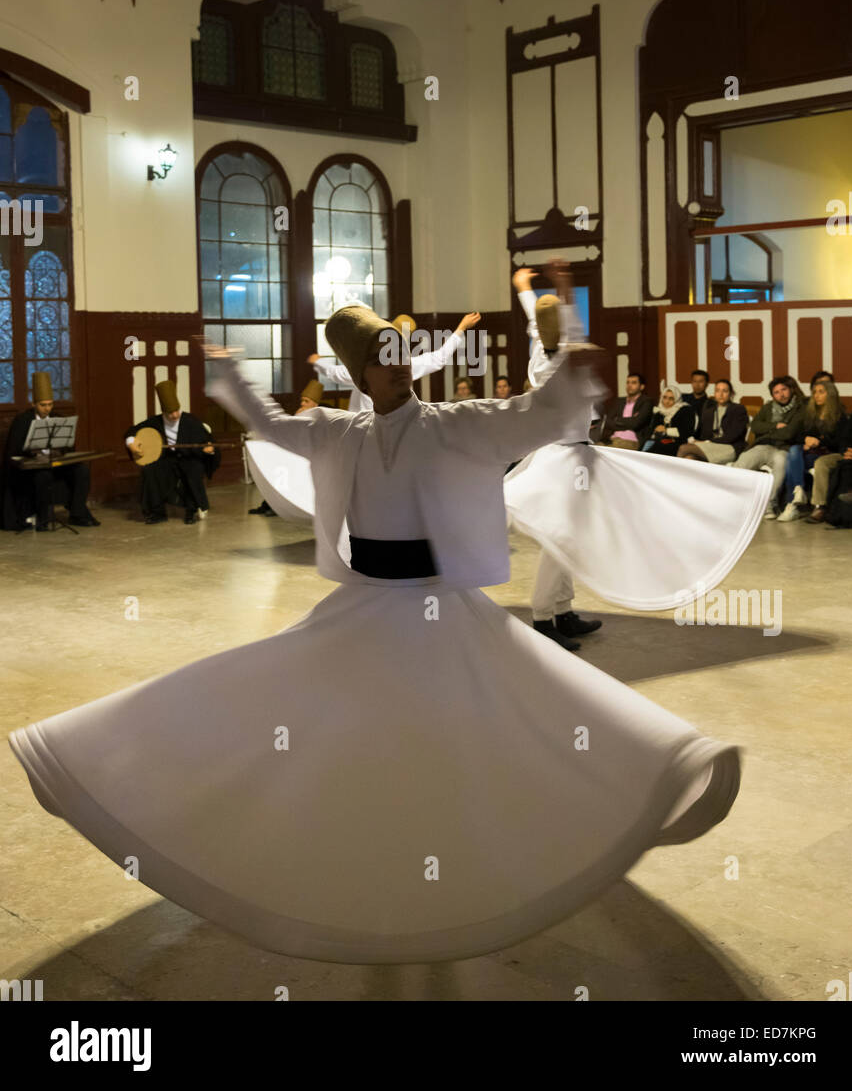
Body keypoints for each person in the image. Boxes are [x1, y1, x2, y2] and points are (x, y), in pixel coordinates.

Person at [9, 311, 745, 966]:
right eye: (384, 359)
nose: (398, 366)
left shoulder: (460, 421)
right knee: (287, 707)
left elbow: (540, 414)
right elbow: (268, 425)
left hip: (442, 604)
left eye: (403, 355)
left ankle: (586, 802)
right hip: (364, 603)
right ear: (361, 373)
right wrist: (226, 373)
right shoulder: (338, 430)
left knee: (526, 708)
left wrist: (562, 345)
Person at [511, 264, 602, 651]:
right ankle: (543, 615)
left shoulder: (541, 349)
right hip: (564, 459)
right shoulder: (565, 359)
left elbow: (541, 317)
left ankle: (563, 609)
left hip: (566, 455)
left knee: (566, 537)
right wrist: (561, 283)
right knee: (558, 538)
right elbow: (563, 320)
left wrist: (524, 286)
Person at [310, 311, 481, 413]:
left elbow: (336, 373)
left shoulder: (368, 366)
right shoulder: (406, 364)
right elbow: (439, 358)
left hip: (372, 425)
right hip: (377, 425)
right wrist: (460, 328)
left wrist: (318, 362)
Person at [0, 371, 99, 530]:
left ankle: (77, 513)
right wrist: (32, 452)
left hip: (55, 463)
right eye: (43, 405)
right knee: (43, 477)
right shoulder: (23, 421)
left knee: (82, 471)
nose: (47, 409)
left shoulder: (58, 417)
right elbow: (14, 450)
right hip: (33, 469)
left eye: (50, 404)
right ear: (34, 404)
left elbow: (69, 446)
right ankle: (42, 518)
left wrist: (60, 449)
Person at [125, 379, 219, 524]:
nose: (174, 415)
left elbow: (207, 441)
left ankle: (191, 510)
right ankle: (157, 512)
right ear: (163, 412)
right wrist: (131, 442)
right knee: (150, 470)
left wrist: (209, 450)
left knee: (193, 469)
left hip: (189, 457)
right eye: (170, 413)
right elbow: (132, 431)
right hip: (167, 458)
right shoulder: (156, 422)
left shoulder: (190, 421)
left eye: (176, 411)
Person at [732, 375, 805, 519]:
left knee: (780, 464)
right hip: (764, 445)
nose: (781, 394)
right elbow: (755, 426)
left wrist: (769, 432)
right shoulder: (768, 407)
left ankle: (769, 505)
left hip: (784, 448)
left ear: (791, 389)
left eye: (784, 390)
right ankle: (734, 502)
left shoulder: (800, 408)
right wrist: (775, 426)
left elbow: (789, 433)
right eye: (776, 392)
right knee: (743, 461)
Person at [247, 379, 322, 518]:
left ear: (315, 403)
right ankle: (268, 504)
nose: (302, 403)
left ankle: (278, 506)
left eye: (306, 401)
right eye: (302, 400)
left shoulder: (318, 415)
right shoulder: (301, 412)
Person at [777, 379, 847, 522]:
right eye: (815, 392)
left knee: (792, 461)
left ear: (830, 394)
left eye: (821, 392)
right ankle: (798, 491)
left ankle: (792, 503)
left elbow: (840, 443)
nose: (817, 396)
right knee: (795, 450)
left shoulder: (840, 415)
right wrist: (807, 441)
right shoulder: (810, 414)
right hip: (810, 454)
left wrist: (819, 441)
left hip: (828, 454)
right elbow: (799, 435)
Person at [812, 377, 852, 527]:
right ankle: (820, 506)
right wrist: (846, 452)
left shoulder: (840, 414)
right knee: (822, 462)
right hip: (848, 452)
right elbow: (846, 436)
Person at [678, 379, 748, 465]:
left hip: (730, 447)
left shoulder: (738, 409)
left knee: (683, 448)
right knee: (689, 458)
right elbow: (703, 433)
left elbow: (732, 436)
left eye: (724, 391)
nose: (721, 394)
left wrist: (707, 442)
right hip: (710, 447)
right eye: (717, 391)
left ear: (731, 393)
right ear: (714, 393)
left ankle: (673, 478)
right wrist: (695, 440)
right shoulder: (709, 410)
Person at [598, 372, 654, 448]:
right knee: (593, 450)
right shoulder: (619, 401)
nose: (629, 385)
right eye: (628, 382)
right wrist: (630, 420)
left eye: (633, 383)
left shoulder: (646, 402)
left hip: (630, 440)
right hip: (612, 439)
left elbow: (636, 423)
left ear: (642, 387)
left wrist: (617, 419)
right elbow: (608, 421)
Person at [642, 383, 694, 455]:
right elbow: (652, 429)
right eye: (665, 397)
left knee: (656, 449)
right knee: (645, 445)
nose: (666, 401)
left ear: (677, 399)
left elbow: (686, 432)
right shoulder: (659, 412)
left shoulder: (685, 410)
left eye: (671, 398)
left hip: (677, 442)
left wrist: (666, 430)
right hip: (659, 441)